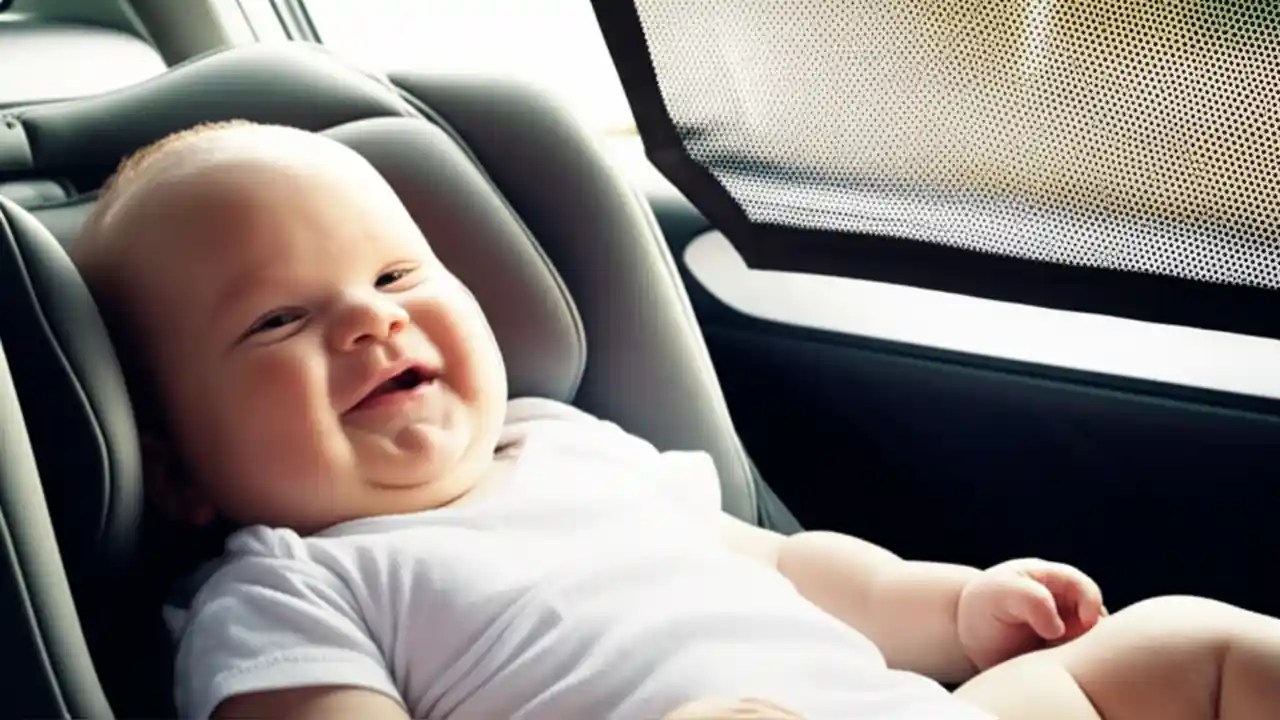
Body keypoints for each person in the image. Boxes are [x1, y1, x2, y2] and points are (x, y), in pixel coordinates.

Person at [71, 120, 1280, 720]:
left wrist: (955, 606)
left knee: (1183, 643)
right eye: (278, 323)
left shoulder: (563, 443)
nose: (371, 326)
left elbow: (803, 572)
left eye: (396, 279)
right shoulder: (282, 591)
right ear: (179, 475)